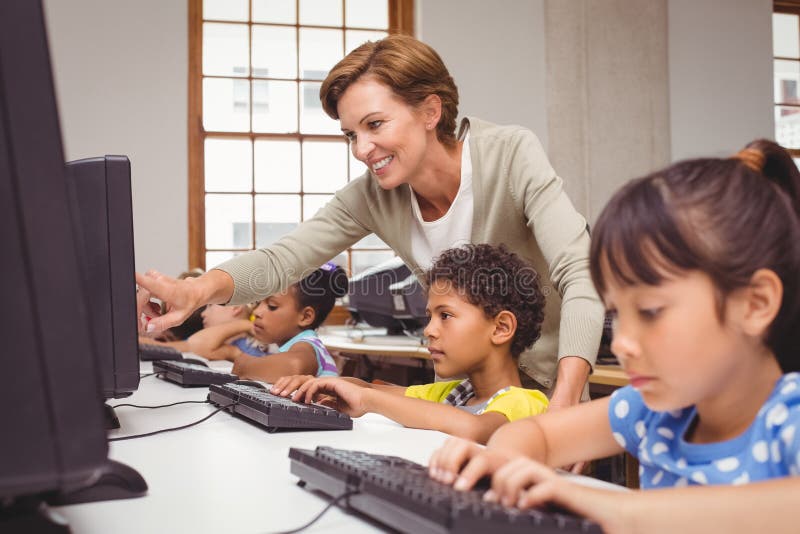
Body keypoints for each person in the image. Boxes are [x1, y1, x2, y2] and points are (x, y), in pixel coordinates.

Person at [136, 34, 604, 411]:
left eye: (375, 125)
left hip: (550, 386)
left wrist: (565, 397)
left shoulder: (510, 154)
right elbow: (284, 258)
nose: (361, 149)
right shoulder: (373, 196)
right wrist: (196, 292)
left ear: (430, 111)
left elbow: (580, 273)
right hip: (465, 396)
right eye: (350, 135)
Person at [426, 140, 800, 532]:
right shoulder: (652, 411)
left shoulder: (787, 419)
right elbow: (534, 434)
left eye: (651, 311)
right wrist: (506, 461)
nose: (621, 343)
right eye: (617, 313)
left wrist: (618, 510)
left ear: (755, 304)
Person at [274, 244, 549, 444]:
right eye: (429, 317)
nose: (429, 330)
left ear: (501, 328)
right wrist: (320, 385)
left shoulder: (524, 402)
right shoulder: (454, 394)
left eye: (446, 315)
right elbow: (368, 389)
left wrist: (368, 399)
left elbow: (474, 430)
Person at [228, 263, 348, 381]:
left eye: (272, 306)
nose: (257, 312)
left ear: (305, 317)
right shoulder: (293, 345)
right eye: (258, 302)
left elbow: (295, 365)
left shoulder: (308, 344)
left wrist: (245, 367)